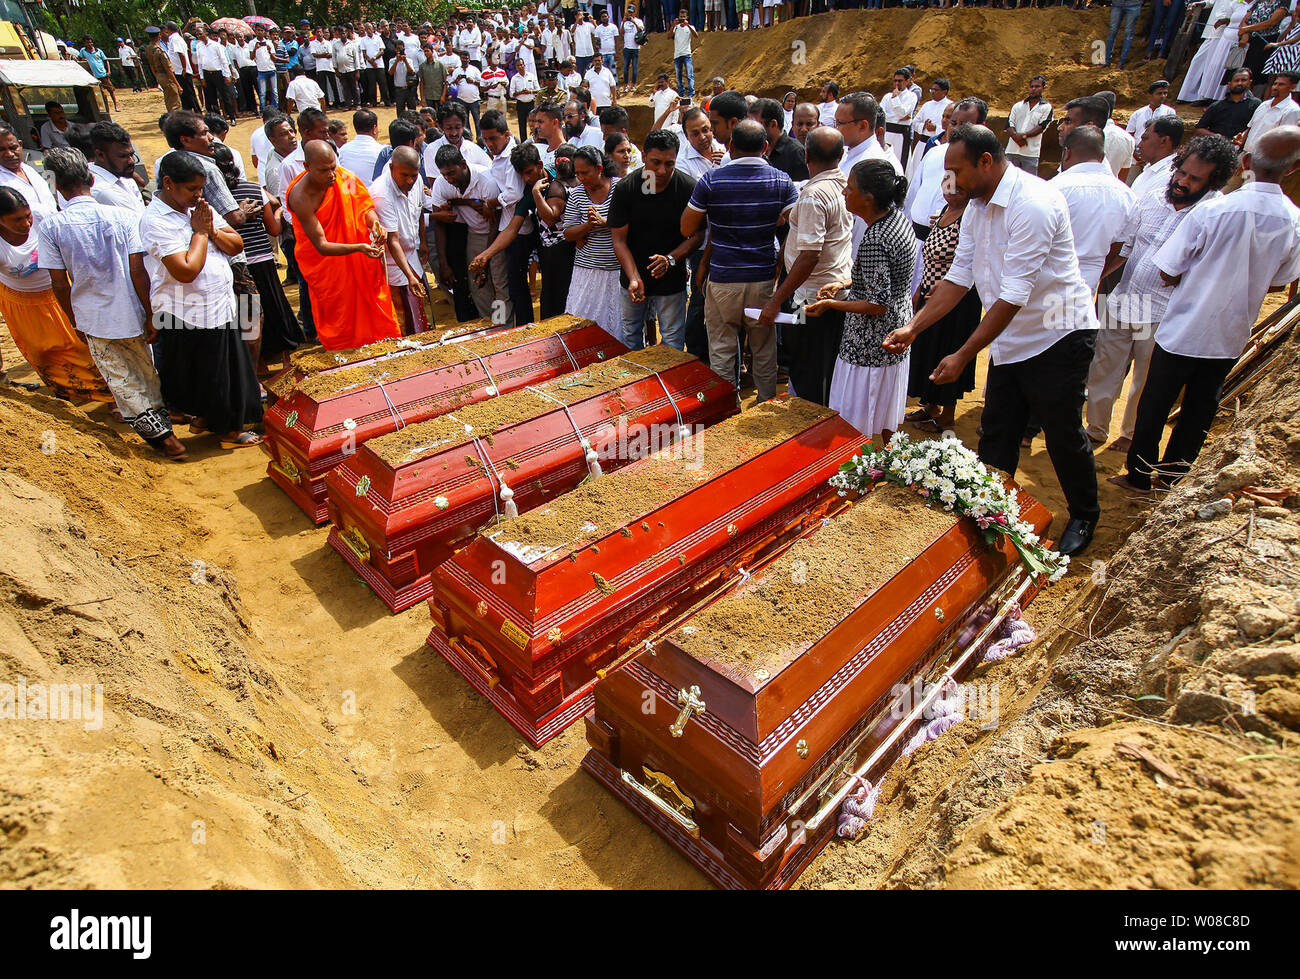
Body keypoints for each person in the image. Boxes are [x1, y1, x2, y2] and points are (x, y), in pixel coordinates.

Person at [883, 124, 1101, 557]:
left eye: (956, 171)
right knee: (997, 429)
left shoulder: (1033, 204)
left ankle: (1084, 513)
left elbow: (1014, 294)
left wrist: (964, 354)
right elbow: (960, 275)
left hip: (1057, 334)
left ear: (986, 162)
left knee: (1060, 431)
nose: (950, 181)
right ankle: (991, 509)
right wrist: (914, 326)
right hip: (1010, 336)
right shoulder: (977, 204)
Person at [1114, 125, 1300, 493]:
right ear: (1291, 170)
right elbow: (1280, 282)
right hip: (1230, 333)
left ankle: (1138, 476)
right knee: (1200, 410)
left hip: (1183, 326)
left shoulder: (1213, 212)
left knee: (1155, 402)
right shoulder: (1293, 220)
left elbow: (1167, 269)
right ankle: (1173, 477)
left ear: (1245, 162)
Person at [1087, 134, 1235, 454]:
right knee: (1104, 366)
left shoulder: (1216, 215)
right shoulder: (1153, 197)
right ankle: (1095, 428)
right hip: (1125, 298)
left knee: (1147, 380)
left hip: (1165, 313)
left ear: (1214, 181)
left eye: (1194, 179)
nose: (1182, 182)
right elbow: (1127, 247)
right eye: (1180, 172)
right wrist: (1097, 278)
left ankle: (1130, 434)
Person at [35, 149, 183, 458]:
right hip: (131, 308)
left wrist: (74, 319)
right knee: (145, 369)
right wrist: (150, 312)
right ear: (90, 178)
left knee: (120, 377)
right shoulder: (124, 217)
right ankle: (163, 423)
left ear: (57, 186)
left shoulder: (51, 227)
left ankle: (164, 437)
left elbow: (60, 283)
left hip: (93, 316)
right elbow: (138, 271)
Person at [140, 152, 262, 448]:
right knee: (211, 376)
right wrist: (200, 233)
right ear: (168, 183)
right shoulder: (155, 220)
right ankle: (229, 431)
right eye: (191, 189)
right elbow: (186, 270)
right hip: (188, 312)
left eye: (200, 189)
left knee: (228, 371)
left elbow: (236, 244)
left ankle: (209, 419)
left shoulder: (199, 209)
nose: (198, 195)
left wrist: (210, 230)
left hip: (220, 306)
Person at [801, 159, 916, 442]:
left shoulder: (876, 237)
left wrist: (831, 304)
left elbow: (876, 304)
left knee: (856, 416)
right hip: (896, 330)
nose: (844, 194)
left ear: (868, 198)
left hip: (869, 343)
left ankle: (856, 466)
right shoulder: (897, 220)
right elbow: (882, 278)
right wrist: (843, 283)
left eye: (849, 189)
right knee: (887, 405)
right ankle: (889, 458)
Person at [682, 119, 796, 401]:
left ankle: (726, 407)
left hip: (723, 279)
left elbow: (686, 228)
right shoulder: (782, 181)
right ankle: (765, 402)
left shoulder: (711, 180)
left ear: (730, 147)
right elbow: (798, 227)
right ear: (765, 147)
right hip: (763, 280)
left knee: (721, 350)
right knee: (764, 349)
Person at [758, 127, 852, 406]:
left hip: (808, 298)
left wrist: (777, 299)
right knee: (819, 361)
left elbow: (809, 256)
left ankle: (809, 421)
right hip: (832, 290)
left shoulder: (814, 195)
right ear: (841, 155)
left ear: (807, 154)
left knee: (807, 361)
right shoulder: (842, 184)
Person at [0, 186, 110, 403]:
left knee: (84, 345)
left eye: (27, 216)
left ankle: (112, 396)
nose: (26, 224)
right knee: (44, 352)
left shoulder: (44, 216)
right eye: (16, 220)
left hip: (60, 290)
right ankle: (71, 396)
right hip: (22, 302)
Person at [287, 140, 401, 350]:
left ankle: (383, 347)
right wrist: (359, 248)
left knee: (374, 306)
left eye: (333, 167)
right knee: (340, 314)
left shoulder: (344, 178)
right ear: (307, 166)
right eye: (324, 170)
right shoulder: (301, 197)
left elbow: (363, 207)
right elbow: (321, 245)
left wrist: (375, 224)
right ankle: (344, 355)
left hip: (361, 262)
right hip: (329, 268)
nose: (332, 174)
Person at [214, 144, 302, 376]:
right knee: (275, 308)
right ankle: (286, 362)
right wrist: (279, 211)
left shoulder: (212, 197)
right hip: (262, 259)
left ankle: (258, 365)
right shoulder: (252, 190)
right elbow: (274, 230)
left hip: (236, 264)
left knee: (248, 315)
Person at [609, 129, 700, 350]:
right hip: (634, 275)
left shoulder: (687, 187)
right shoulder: (626, 188)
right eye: (655, 162)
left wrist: (670, 259)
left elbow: (698, 235)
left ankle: (668, 384)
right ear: (643, 157)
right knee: (630, 333)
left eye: (669, 164)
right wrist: (633, 277)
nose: (662, 170)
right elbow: (618, 240)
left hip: (671, 277)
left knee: (672, 337)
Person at [1051, 125, 1136, 293]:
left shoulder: (1054, 188)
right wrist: (1095, 273)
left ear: (1067, 153)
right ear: (1103, 156)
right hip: (1087, 283)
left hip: (1048, 281)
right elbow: (1121, 248)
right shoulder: (1127, 196)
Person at [428, 144, 504, 323]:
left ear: (463, 164)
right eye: (444, 174)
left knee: (499, 285)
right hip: (474, 235)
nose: (448, 179)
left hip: (498, 237)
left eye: (451, 173)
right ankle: (489, 324)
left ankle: (503, 326)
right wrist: (443, 263)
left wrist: (486, 257)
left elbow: (496, 223)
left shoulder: (487, 180)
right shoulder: (441, 183)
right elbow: (440, 221)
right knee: (478, 282)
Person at [561, 145, 621, 337]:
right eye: (577, 173)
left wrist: (606, 223)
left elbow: (635, 224)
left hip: (617, 270)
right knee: (582, 325)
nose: (581, 178)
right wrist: (588, 226)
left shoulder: (621, 188)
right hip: (587, 272)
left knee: (617, 326)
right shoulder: (577, 194)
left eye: (585, 172)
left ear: (599, 168)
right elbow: (568, 233)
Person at [372, 146, 431, 335]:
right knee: (404, 317)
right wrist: (410, 276)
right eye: (404, 175)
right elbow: (392, 241)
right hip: (394, 265)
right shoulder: (381, 194)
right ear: (391, 168)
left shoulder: (417, 180)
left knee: (421, 313)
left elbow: (420, 210)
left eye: (413, 175)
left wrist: (422, 242)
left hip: (412, 255)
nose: (410, 181)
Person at [1179, 0, 1251, 102]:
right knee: (1198, 61)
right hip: (1213, 31)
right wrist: (1201, 3)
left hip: (1225, 34)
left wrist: (1227, 19)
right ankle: (1187, 96)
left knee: (1214, 67)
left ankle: (1204, 97)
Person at [88, 122, 145, 214]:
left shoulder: (125, 177)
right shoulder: (102, 190)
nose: (132, 161)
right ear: (100, 155)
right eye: (123, 156)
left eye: (131, 155)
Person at [1241, 71, 1300, 156]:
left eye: (1281, 85)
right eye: (1275, 83)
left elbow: (1285, 140)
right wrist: (1242, 137)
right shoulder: (1264, 105)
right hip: (1246, 153)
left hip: (1265, 159)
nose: (1275, 87)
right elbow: (1251, 127)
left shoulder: (1293, 110)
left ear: (1292, 87)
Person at [1005, 74, 1052, 175]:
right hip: (1012, 151)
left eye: (1037, 86)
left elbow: (1042, 127)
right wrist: (1016, 138)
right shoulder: (1018, 106)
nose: (1033, 89)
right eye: (1032, 86)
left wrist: (1023, 136)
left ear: (1043, 88)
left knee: (1028, 184)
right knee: (1009, 181)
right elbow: (1009, 124)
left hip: (1030, 153)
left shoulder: (1046, 107)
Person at [1194, 68, 1262, 138]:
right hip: (1217, 146)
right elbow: (1199, 129)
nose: (1239, 83)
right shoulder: (1216, 106)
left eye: (1243, 80)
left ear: (1249, 82)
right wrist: (1216, 137)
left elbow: (1259, 128)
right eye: (1236, 80)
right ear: (1229, 84)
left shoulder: (1256, 105)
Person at [1130, 114, 1186, 198]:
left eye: (1145, 139)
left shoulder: (1169, 177)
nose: (1139, 145)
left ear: (1164, 141)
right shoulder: (1149, 170)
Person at [337, 109, 384, 187]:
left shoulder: (342, 151)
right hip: (372, 197)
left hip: (349, 196)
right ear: (374, 128)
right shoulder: (383, 152)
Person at [76, 35, 118, 112]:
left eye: (90, 42)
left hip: (103, 74)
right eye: (87, 42)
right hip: (93, 75)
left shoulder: (98, 51)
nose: (89, 44)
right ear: (84, 43)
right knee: (98, 92)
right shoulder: (83, 51)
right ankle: (102, 108)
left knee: (111, 90)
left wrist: (108, 71)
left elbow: (106, 60)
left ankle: (116, 106)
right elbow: (80, 60)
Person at [145, 27, 181, 113]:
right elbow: (168, 69)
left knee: (168, 99)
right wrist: (178, 85)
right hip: (167, 77)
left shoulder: (148, 49)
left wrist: (157, 76)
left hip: (159, 76)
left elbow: (151, 65)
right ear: (159, 36)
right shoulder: (160, 51)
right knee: (175, 102)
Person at [1104, 0, 1144, 67]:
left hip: (1134, 5)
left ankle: (1122, 62)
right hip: (1117, 4)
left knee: (1128, 33)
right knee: (1112, 31)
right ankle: (1107, 60)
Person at [672, 10, 697, 99]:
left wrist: (688, 26)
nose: (682, 19)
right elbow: (669, 36)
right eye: (681, 17)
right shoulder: (676, 27)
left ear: (687, 17)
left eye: (683, 17)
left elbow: (696, 36)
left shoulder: (690, 27)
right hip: (677, 55)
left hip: (687, 54)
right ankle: (681, 93)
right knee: (678, 76)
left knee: (689, 74)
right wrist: (673, 26)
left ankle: (691, 93)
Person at [622, 4, 645, 89]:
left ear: (635, 12)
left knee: (635, 67)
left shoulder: (639, 21)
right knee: (625, 68)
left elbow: (641, 30)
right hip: (627, 47)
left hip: (635, 47)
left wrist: (634, 22)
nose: (630, 14)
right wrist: (623, 22)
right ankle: (625, 85)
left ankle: (633, 85)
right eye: (629, 12)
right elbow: (621, 32)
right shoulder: (624, 21)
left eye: (631, 12)